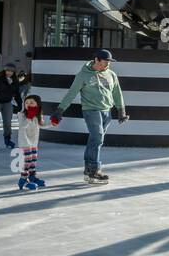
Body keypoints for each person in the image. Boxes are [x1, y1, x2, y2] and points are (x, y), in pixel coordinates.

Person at [51, 49, 128, 185]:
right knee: (98, 137)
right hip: (91, 110)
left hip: (106, 111)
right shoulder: (83, 75)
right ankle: (95, 169)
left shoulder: (111, 74)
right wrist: (59, 110)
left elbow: (117, 93)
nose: (107, 65)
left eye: (109, 63)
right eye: (105, 62)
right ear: (96, 60)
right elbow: (71, 93)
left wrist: (121, 110)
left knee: (95, 140)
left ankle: (88, 170)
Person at [16, 94, 46, 190]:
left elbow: (42, 125)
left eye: (32, 102)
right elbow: (23, 126)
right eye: (26, 102)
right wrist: (29, 116)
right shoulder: (21, 115)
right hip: (24, 143)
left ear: (38, 105)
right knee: (26, 162)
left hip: (33, 143)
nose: (28, 104)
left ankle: (32, 177)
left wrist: (53, 123)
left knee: (33, 162)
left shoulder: (38, 115)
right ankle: (23, 180)